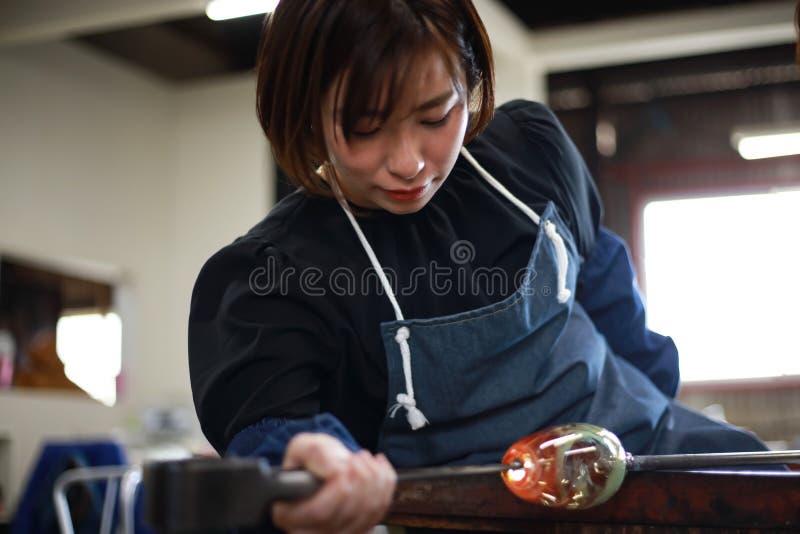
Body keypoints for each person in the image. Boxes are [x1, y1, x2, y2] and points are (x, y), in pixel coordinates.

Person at [188, 1, 775, 531]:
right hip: (470, 514)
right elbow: (272, 435)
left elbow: (612, 299)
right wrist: (316, 463)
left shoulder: (532, 154)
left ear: (467, 80)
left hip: (645, 451)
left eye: (435, 115)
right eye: (364, 128)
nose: (409, 162)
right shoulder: (272, 275)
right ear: (304, 109)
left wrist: (665, 412)